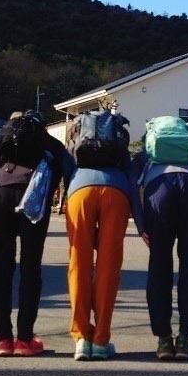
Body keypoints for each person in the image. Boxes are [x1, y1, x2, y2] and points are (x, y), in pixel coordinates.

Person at [0, 110, 73, 357]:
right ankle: (25, 339)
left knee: (2, 267)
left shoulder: (5, 138)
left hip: (1, 194)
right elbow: (66, 176)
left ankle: (4, 339)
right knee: (30, 267)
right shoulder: (51, 144)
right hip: (34, 199)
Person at [63, 108, 143, 361]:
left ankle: (81, 338)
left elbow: (67, 168)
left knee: (79, 263)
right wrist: (142, 224)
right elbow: (132, 178)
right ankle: (100, 340)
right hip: (116, 192)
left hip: (79, 192)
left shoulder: (75, 134)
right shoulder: (118, 140)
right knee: (109, 266)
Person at [134, 114, 188, 361]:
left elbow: (132, 186)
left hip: (158, 194)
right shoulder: (187, 157)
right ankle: (184, 340)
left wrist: (141, 225)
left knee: (159, 266)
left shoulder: (146, 155)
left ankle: (164, 341)